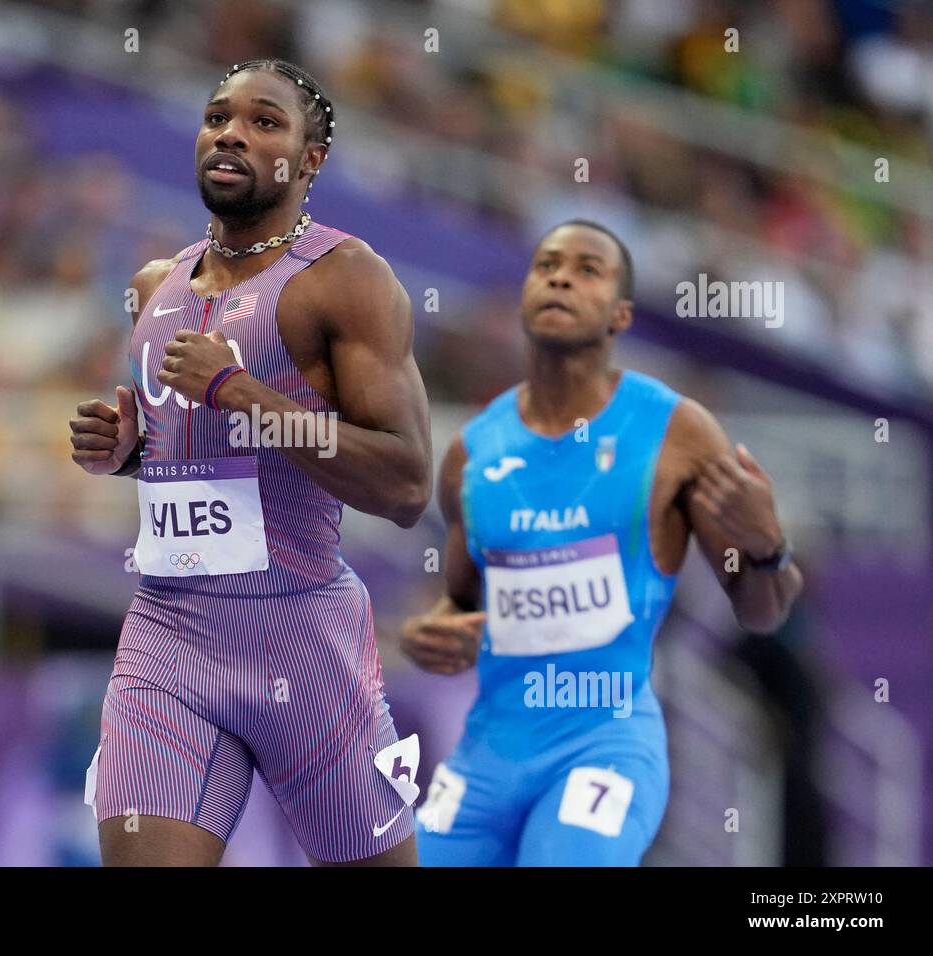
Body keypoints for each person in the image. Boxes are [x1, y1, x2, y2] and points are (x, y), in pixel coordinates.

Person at [69, 59, 432, 866]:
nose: (231, 132)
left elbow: (406, 483)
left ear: (309, 161)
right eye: (217, 115)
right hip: (167, 635)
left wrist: (240, 391)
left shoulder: (347, 280)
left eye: (264, 121)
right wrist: (128, 453)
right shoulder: (154, 285)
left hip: (302, 640)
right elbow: (192, 450)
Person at [402, 220, 803, 865]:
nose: (560, 276)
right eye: (546, 265)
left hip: (602, 747)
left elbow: (763, 609)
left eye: (587, 269)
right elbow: (458, 603)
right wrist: (430, 631)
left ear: (620, 314)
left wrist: (766, 547)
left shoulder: (675, 430)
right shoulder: (472, 451)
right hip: (488, 756)